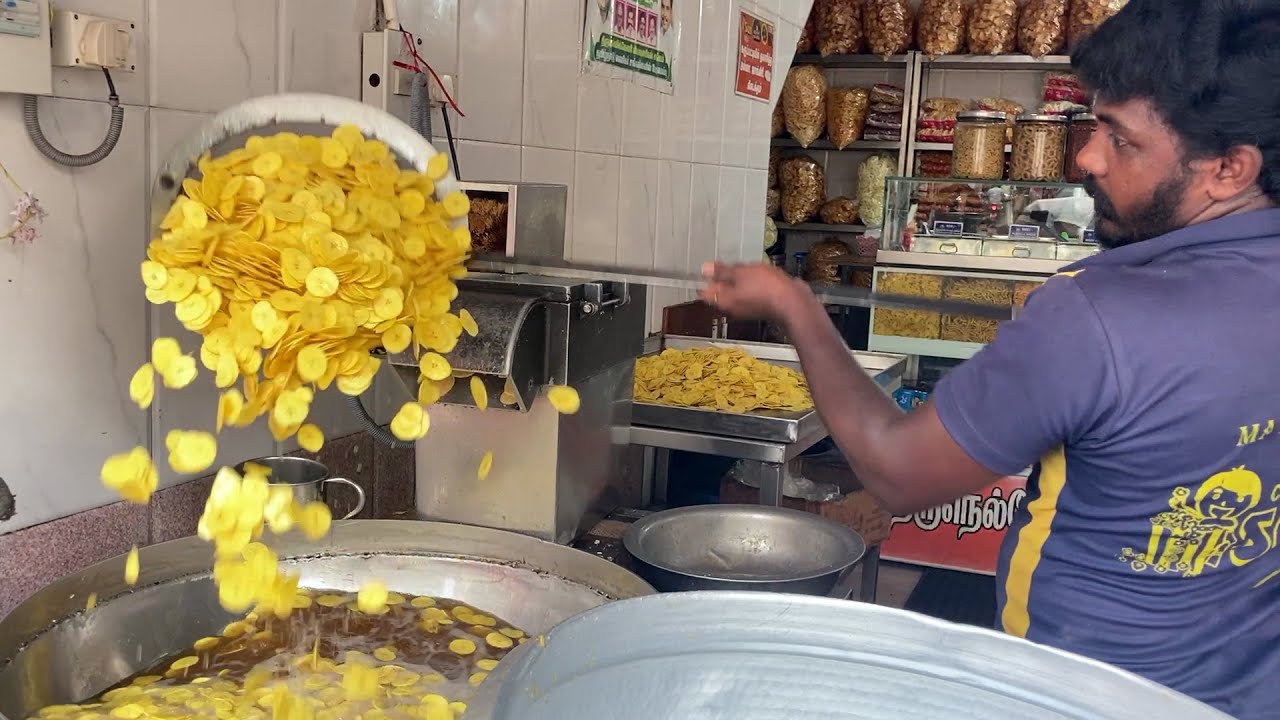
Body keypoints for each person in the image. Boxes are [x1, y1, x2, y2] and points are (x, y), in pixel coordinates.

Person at [700, 1, 1279, 716]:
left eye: (1121, 139)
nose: (1087, 158)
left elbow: (898, 471)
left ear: (1228, 168)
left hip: (1078, 692)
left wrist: (796, 308)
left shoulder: (1098, 317)